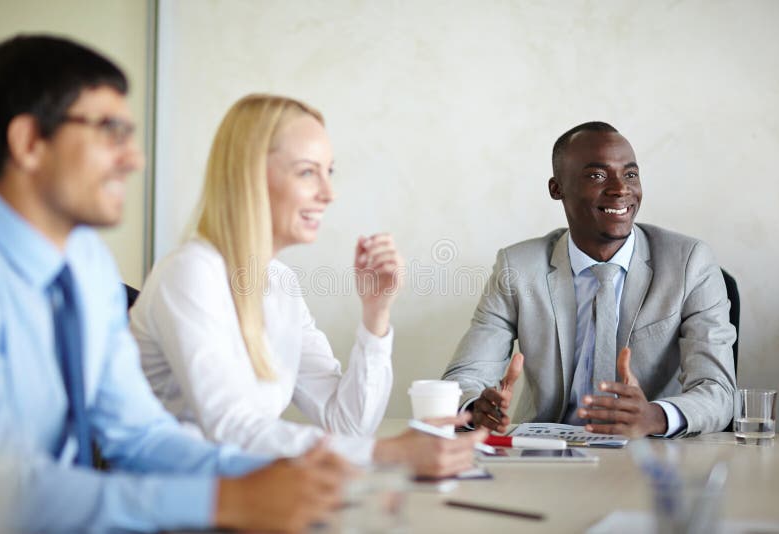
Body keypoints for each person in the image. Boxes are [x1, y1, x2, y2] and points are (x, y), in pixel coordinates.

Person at [0, 34, 350, 533]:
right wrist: (224, 501)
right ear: (28, 141)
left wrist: (287, 476)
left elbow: (139, 434)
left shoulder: (86, 262)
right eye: (111, 131)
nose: (135, 159)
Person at [129, 94, 486, 477]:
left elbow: (348, 423)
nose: (328, 193)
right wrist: (387, 453)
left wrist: (376, 314)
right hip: (177, 505)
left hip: (244, 498)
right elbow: (230, 429)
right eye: (306, 172)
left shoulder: (280, 283)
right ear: (248, 175)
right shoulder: (190, 273)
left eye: (329, 171)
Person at [443, 121, 736, 438]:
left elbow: (718, 391)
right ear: (557, 189)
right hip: (547, 457)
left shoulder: (689, 263)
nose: (620, 188)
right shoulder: (518, 267)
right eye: (597, 175)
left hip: (650, 455)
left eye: (630, 174)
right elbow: (464, 377)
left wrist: (654, 416)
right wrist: (476, 408)